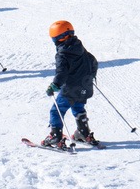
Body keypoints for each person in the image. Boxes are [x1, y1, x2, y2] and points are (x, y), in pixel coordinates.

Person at [42, 20, 100, 149]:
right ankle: (84, 133)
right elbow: (93, 60)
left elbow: (61, 72)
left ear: (56, 38)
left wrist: (55, 85)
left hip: (70, 89)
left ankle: (56, 137)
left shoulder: (62, 53)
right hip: (85, 86)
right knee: (78, 106)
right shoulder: (79, 47)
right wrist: (92, 75)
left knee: (57, 110)